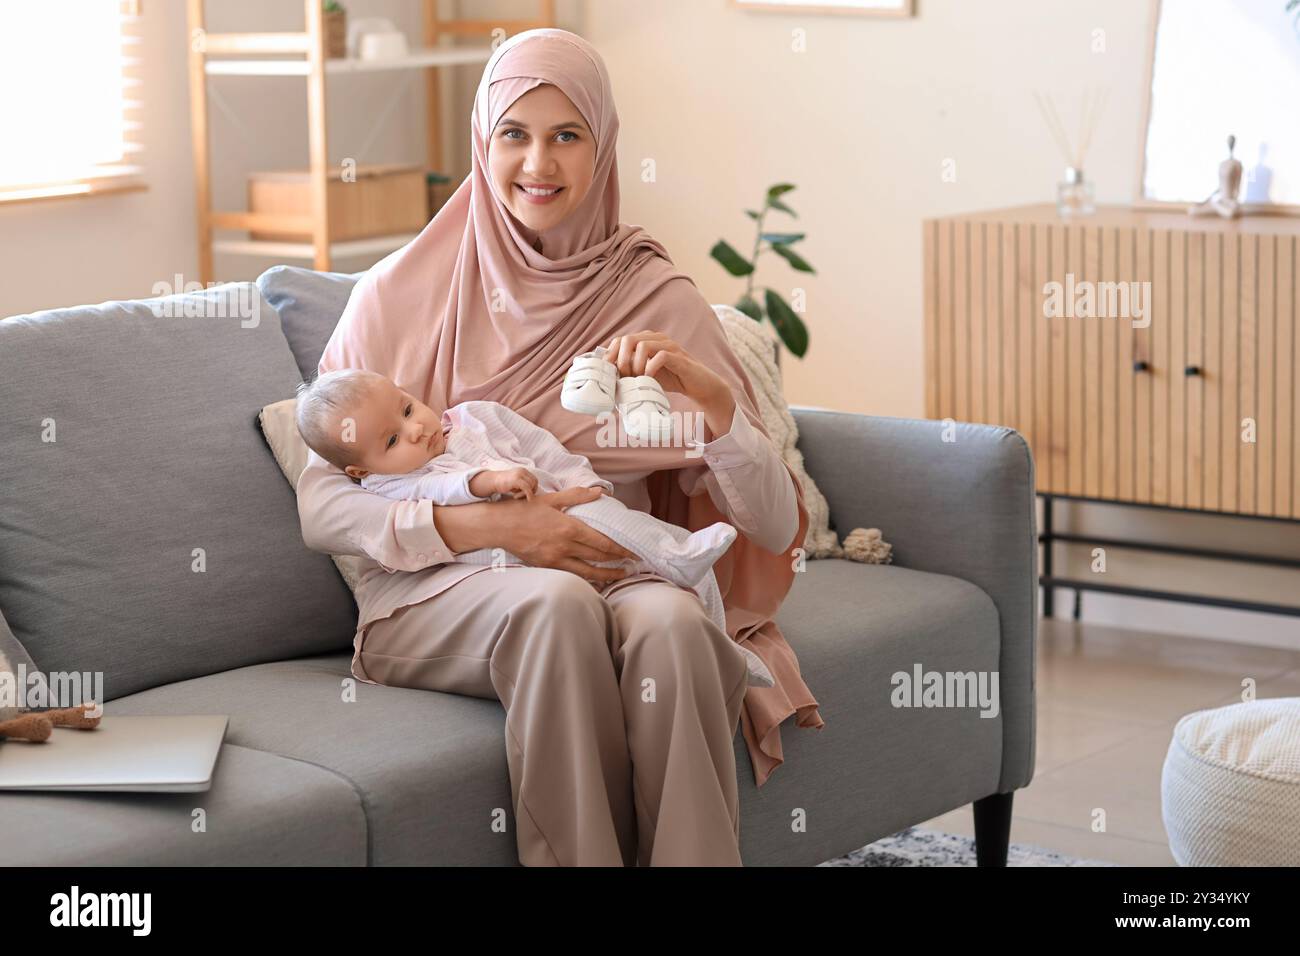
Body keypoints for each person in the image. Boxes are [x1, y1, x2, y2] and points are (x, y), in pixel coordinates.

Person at [295, 27, 823, 866]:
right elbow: (322, 503)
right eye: (514, 134)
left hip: (613, 564)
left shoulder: (653, 295)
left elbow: (766, 523)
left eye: (566, 135)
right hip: (436, 593)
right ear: (483, 141)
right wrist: (498, 530)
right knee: (554, 604)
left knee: (676, 629)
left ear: (603, 146)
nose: (537, 163)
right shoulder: (397, 294)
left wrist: (722, 412)